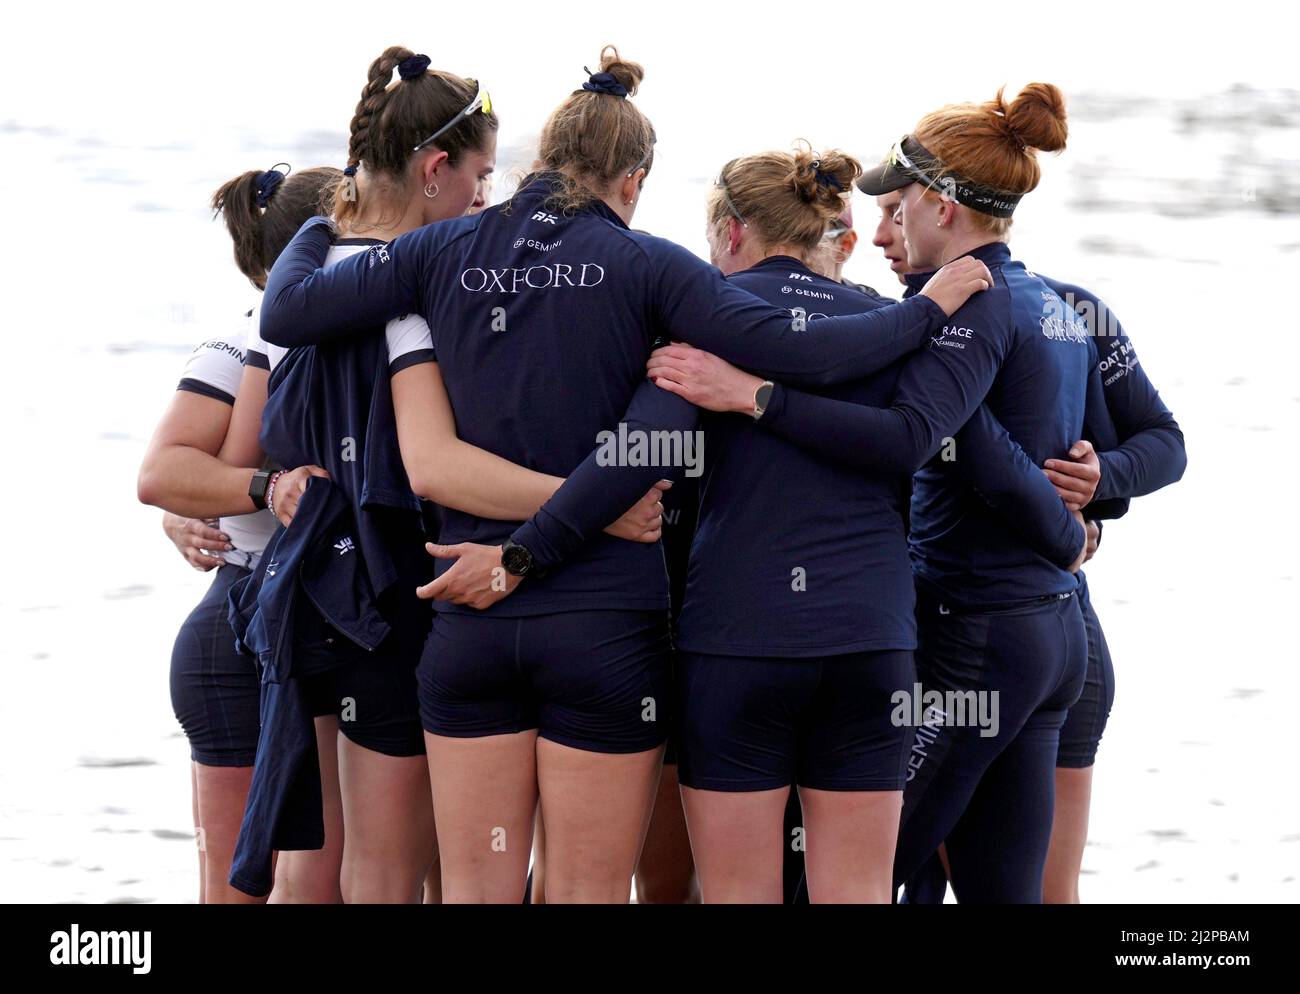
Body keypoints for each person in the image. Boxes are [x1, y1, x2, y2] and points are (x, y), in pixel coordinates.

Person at [258, 45, 992, 902]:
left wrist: (322, 213)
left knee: (473, 891)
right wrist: (924, 311)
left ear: (543, 156)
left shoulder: (439, 252)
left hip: (466, 615)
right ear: (634, 179)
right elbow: (804, 349)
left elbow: (290, 309)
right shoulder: (653, 267)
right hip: (604, 627)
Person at [232, 47, 500, 903]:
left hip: (305, 595)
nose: (484, 196)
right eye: (480, 174)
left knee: (322, 874)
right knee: (390, 872)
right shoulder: (431, 280)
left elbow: (262, 441)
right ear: (433, 169)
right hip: (395, 601)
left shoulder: (301, 279)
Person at [137, 163, 338, 902]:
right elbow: (161, 473)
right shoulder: (236, 347)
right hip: (241, 633)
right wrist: (256, 490)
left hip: (306, 628)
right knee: (239, 892)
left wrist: (209, 502)